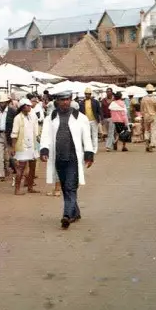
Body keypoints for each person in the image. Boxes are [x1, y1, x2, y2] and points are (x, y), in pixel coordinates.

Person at [40, 91, 95, 230]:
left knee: (70, 186)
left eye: (67, 99)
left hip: (73, 158)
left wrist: (89, 153)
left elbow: (86, 137)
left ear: (71, 100)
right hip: (58, 158)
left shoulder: (80, 117)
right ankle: (75, 212)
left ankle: (66, 215)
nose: (65, 102)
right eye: (62, 100)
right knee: (65, 186)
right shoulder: (50, 117)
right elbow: (45, 136)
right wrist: (44, 149)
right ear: (57, 101)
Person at [10, 98, 40, 195]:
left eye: (29, 105)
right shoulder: (18, 118)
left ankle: (30, 187)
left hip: (32, 145)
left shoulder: (31, 116)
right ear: (23, 107)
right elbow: (14, 134)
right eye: (27, 105)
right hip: (22, 146)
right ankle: (17, 189)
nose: (29, 107)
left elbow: (35, 130)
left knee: (32, 168)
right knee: (21, 168)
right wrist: (13, 147)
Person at [0, 94, 15, 181]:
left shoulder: (12, 111)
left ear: (7, 103)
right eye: (0, 103)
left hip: (9, 135)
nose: (1, 104)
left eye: (3, 103)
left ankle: (15, 171)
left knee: (11, 156)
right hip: (0, 134)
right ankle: (1, 175)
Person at [79, 87, 101, 153]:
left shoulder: (95, 102)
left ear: (90, 94)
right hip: (85, 121)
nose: (87, 95)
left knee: (94, 135)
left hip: (94, 120)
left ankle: (95, 149)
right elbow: (80, 112)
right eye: (86, 94)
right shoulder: (82, 103)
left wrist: (101, 119)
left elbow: (99, 111)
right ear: (84, 94)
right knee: (87, 135)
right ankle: (88, 148)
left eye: (88, 94)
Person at [140, 84, 156, 153]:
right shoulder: (155, 99)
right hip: (153, 116)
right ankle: (152, 144)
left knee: (147, 130)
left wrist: (143, 115)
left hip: (146, 117)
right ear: (152, 91)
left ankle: (147, 142)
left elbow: (141, 109)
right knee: (154, 130)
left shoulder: (143, 99)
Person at [101, 88, 115, 152]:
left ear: (112, 92)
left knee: (110, 132)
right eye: (107, 91)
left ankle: (108, 147)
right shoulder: (103, 100)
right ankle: (114, 141)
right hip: (105, 118)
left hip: (113, 117)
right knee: (107, 133)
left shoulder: (114, 100)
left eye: (109, 91)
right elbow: (101, 109)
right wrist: (101, 118)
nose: (108, 92)